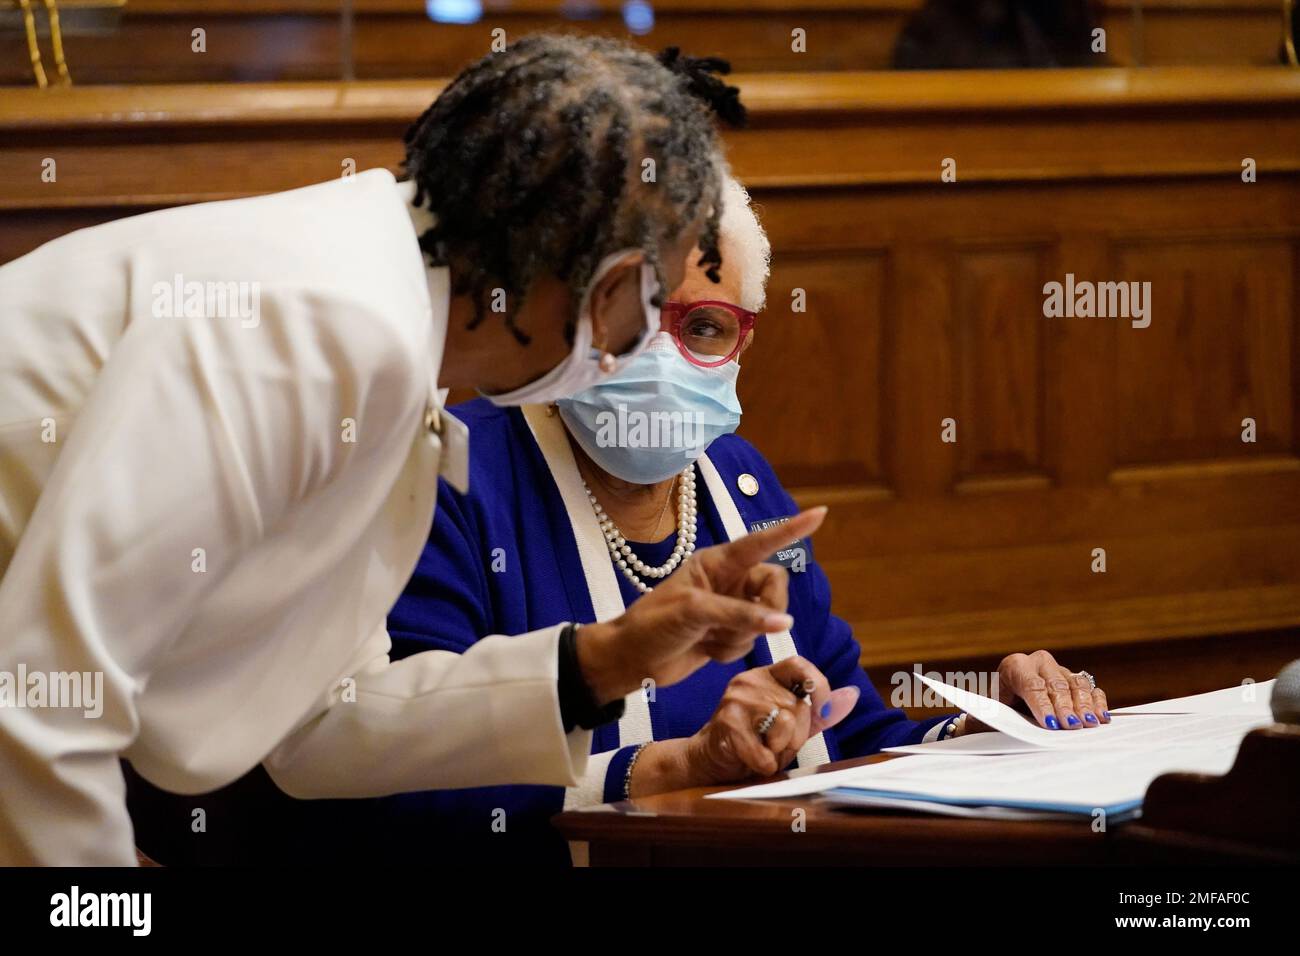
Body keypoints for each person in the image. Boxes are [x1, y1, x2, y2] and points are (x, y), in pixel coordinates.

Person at [126, 176, 1112, 865]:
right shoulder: (452, 474)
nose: (669, 353)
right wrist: (666, 771)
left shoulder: (740, 481)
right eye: (640, 316)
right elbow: (390, 784)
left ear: (743, 340)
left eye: (708, 326)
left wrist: (988, 730)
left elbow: (843, 732)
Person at [0, 36, 817, 865]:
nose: (645, 347)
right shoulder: (320, 323)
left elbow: (321, 723)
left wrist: (607, 658)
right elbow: (38, 704)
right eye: (652, 305)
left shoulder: (386, 325)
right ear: (610, 289)